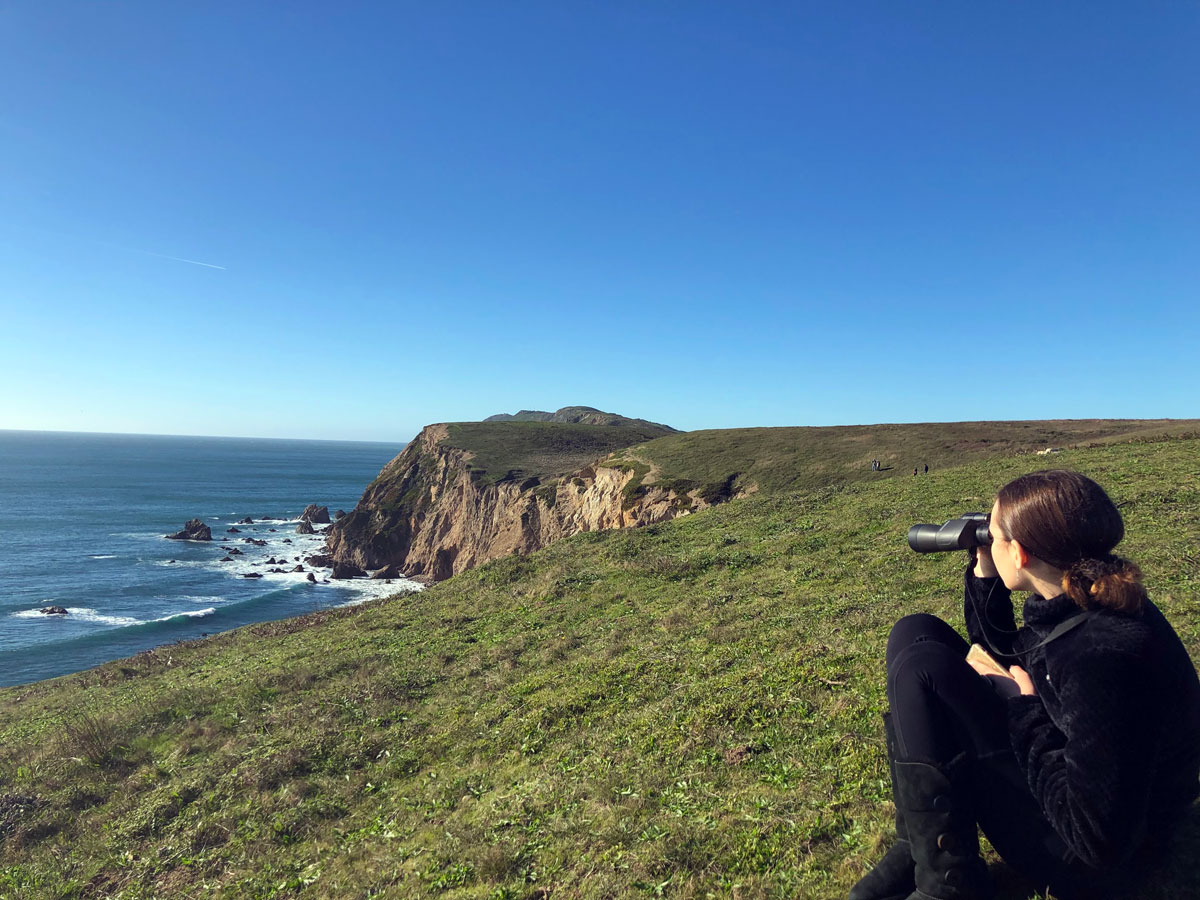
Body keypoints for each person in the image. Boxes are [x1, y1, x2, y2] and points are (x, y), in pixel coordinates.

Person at [849, 470, 1200, 900]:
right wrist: (984, 572)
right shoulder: (1086, 593)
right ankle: (917, 842)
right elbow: (1010, 650)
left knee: (923, 668)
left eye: (994, 536)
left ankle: (949, 884)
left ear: (1020, 553)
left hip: (1091, 859)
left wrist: (1023, 710)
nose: (988, 542)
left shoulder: (1102, 657)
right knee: (916, 631)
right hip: (1078, 801)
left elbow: (1099, 841)